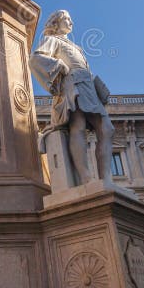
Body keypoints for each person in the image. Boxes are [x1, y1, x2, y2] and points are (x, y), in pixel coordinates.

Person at [30, 10, 115, 187]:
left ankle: (106, 179)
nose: (71, 22)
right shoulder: (52, 39)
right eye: (67, 19)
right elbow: (36, 58)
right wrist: (59, 65)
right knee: (78, 125)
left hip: (88, 86)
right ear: (56, 22)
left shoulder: (76, 47)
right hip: (73, 85)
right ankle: (85, 178)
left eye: (71, 19)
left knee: (107, 129)